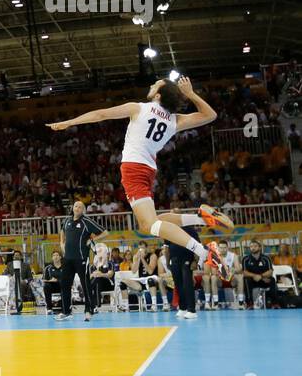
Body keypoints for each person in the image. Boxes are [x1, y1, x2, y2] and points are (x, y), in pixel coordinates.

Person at [48, 76, 232, 269]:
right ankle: (202, 218)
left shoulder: (138, 108)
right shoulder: (174, 120)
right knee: (148, 224)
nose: (152, 84)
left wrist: (70, 122)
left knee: (150, 225)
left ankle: (203, 252)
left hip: (133, 170)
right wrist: (190, 94)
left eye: (156, 84)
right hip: (148, 170)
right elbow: (210, 115)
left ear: (158, 94)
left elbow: (101, 115)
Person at [58, 201, 106, 321]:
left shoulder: (86, 221)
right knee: (65, 285)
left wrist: (92, 240)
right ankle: (66, 312)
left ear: (83, 210)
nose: (77, 208)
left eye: (80, 207)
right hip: (68, 259)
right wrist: (61, 243)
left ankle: (89, 310)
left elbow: (105, 232)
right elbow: (62, 231)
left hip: (81, 259)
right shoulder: (67, 221)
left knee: (86, 285)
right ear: (73, 208)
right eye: (76, 206)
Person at [168, 226, 202, 320]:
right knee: (178, 285)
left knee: (187, 283)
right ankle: (182, 308)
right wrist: (168, 262)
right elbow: (167, 248)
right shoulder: (168, 229)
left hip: (187, 259)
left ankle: (191, 310)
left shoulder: (190, 229)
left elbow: (197, 246)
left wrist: (195, 261)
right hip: (174, 259)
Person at [202, 240, 239, 310]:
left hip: (230, 277)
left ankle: (240, 302)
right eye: (221, 248)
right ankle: (213, 303)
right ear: (218, 248)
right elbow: (208, 271)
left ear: (227, 248)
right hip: (218, 278)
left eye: (224, 247)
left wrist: (232, 270)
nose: (223, 249)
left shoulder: (233, 256)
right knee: (211, 277)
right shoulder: (212, 256)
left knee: (239, 276)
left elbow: (238, 269)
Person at [240, 240, 276, 307]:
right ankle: (249, 303)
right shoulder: (245, 259)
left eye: (255, 246)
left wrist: (261, 276)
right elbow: (244, 272)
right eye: (251, 246)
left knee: (272, 280)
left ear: (259, 247)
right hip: (252, 280)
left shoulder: (266, 258)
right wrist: (255, 276)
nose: (253, 248)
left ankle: (274, 303)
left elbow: (270, 271)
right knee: (246, 279)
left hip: (263, 280)